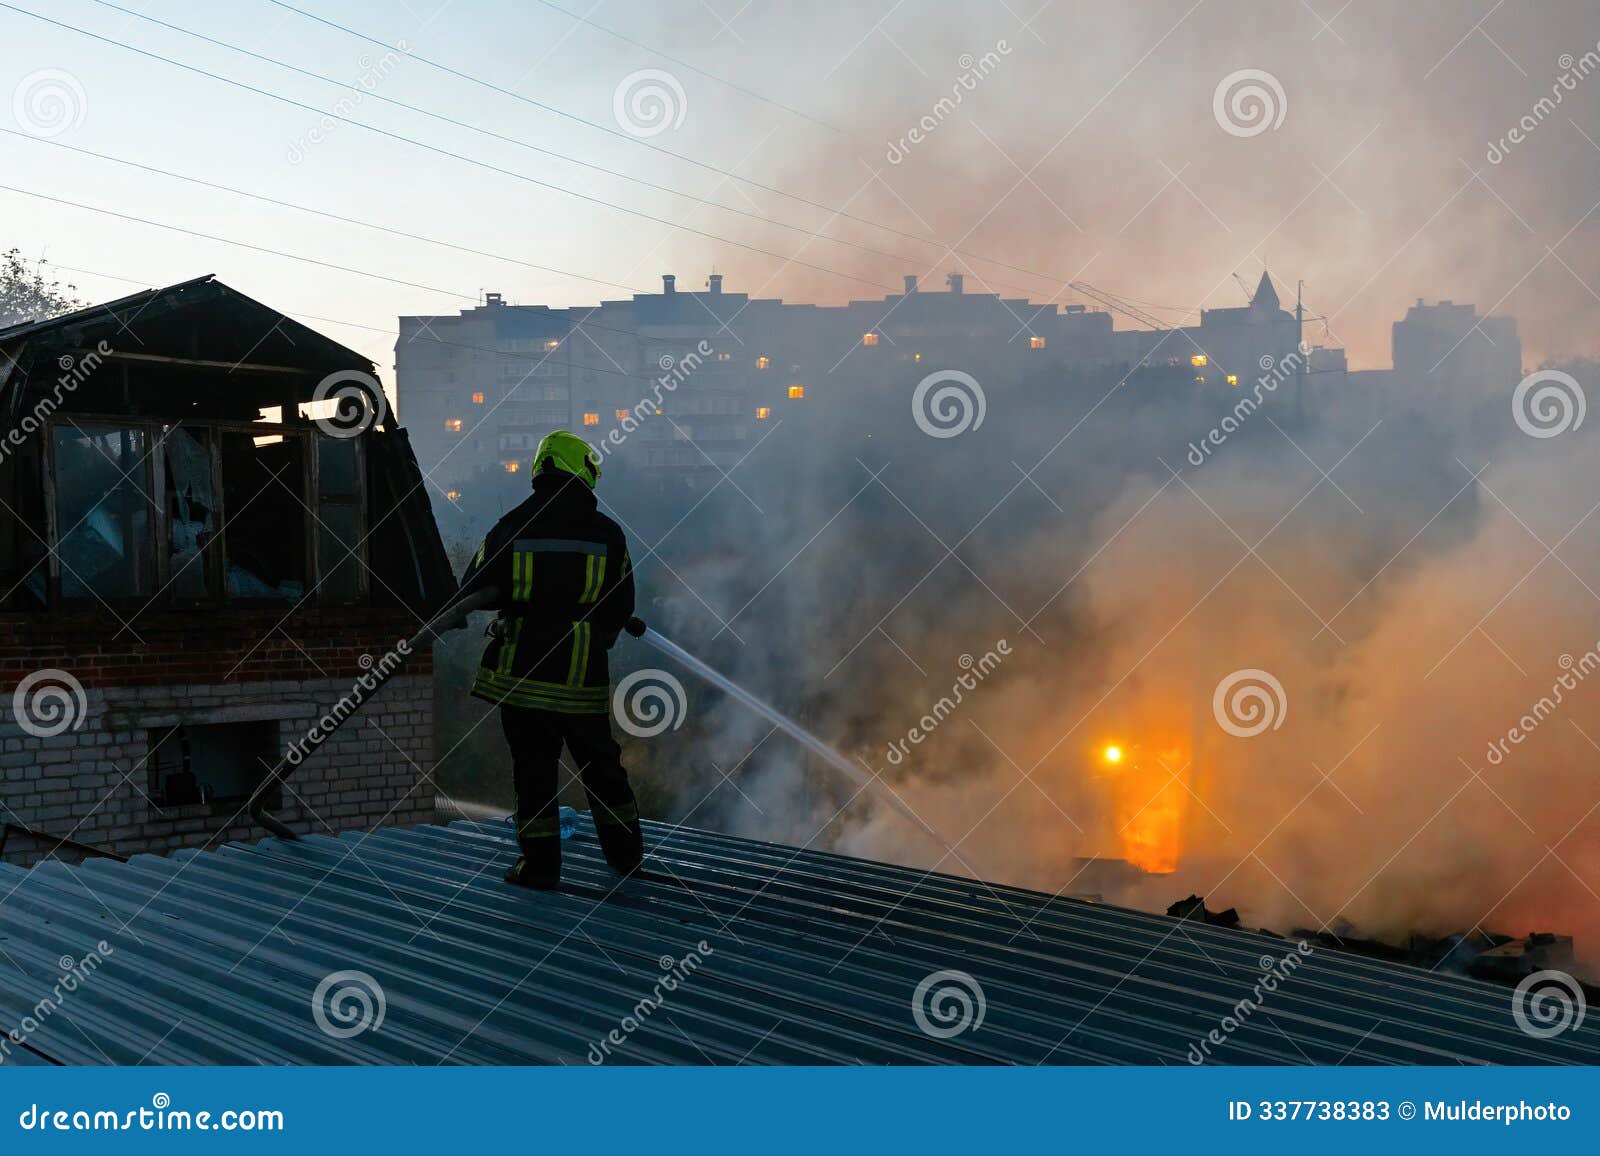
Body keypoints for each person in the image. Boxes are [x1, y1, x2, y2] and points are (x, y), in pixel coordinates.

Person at [458, 430, 643, 889]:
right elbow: (620, 608)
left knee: (534, 771)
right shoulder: (609, 534)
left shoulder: (511, 525)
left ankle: (539, 868)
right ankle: (626, 856)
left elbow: (474, 588)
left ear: (542, 468)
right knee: (602, 766)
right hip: (583, 681)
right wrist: (597, 634)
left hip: (524, 678)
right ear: (581, 469)